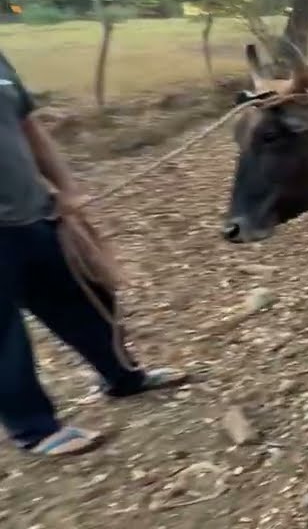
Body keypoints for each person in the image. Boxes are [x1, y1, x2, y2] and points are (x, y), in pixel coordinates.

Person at [0, 48, 188, 457]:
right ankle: (34, 429)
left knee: (84, 298)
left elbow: (29, 128)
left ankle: (123, 377)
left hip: (35, 212)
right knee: (5, 337)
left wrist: (66, 189)